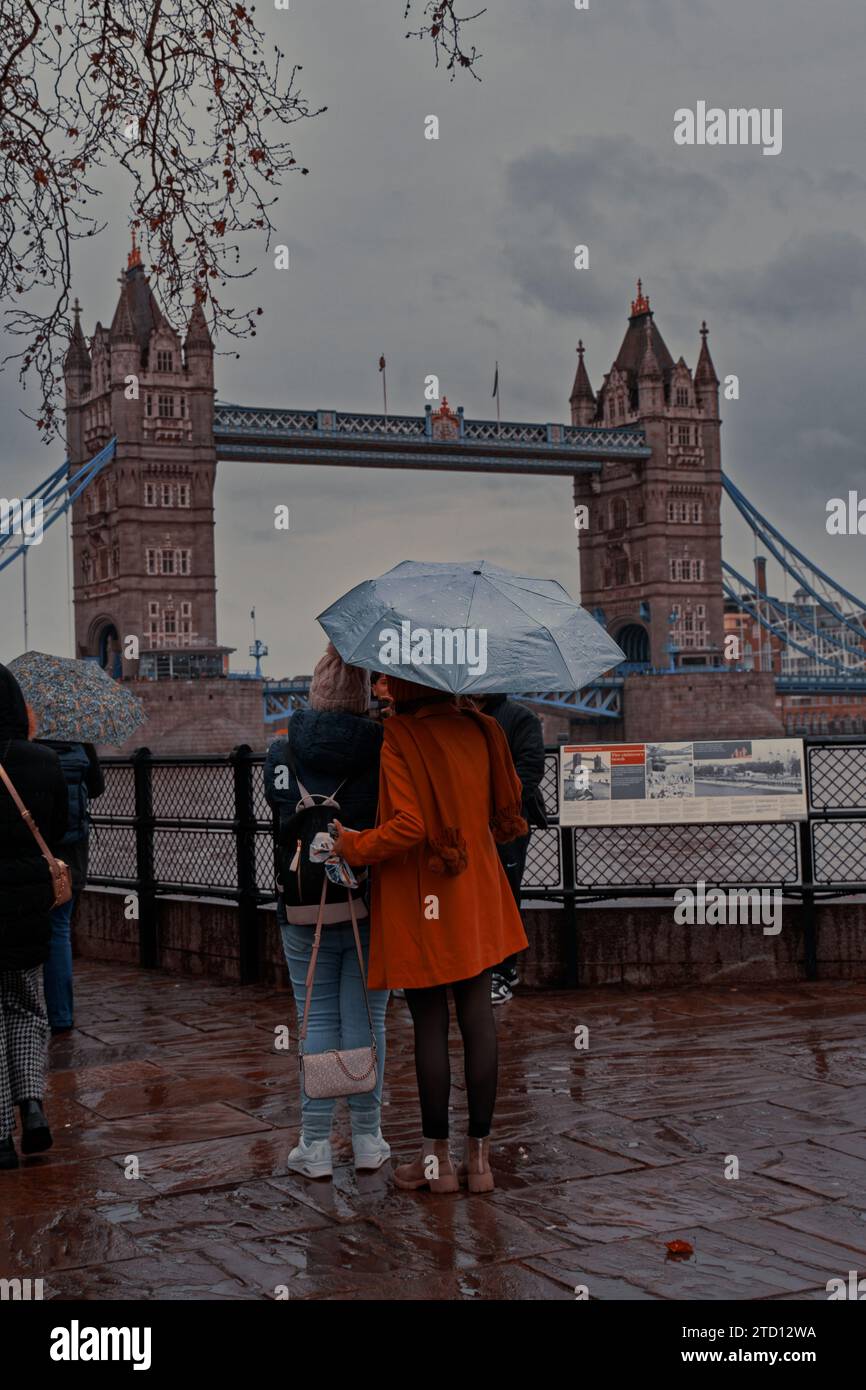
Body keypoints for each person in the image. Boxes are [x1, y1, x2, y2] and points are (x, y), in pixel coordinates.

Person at [332, 675, 528, 1195]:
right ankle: (480, 1163)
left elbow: (408, 828)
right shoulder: (483, 729)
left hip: (427, 896)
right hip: (478, 887)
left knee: (429, 1024)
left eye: (388, 680)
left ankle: (436, 1165)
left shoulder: (399, 736)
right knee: (478, 1016)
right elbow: (503, 804)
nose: (381, 687)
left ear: (408, 683)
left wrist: (352, 845)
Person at [265, 643, 387, 1179]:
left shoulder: (281, 753)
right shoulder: (385, 749)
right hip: (366, 905)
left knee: (313, 1017)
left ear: (314, 691)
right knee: (368, 1017)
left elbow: (277, 816)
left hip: (301, 906)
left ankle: (313, 1146)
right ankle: (367, 1140)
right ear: (364, 694)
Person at [0, 664, 68, 1170]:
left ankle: (1, 1136)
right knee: (26, 1007)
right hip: (27, 905)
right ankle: (33, 1107)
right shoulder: (45, 762)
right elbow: (59, 830)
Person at [479, 695, 547, 1005]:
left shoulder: (521, 718)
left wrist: (502, 807)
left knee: (505, 894)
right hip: (468, 823)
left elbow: (531, 769)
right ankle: (480, 967)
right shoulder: (458, 717)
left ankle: (503, 971)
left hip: (510, 824)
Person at [35, 739, 104, 1033]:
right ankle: (61, 1015)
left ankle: (23, 1011)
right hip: (72, 851)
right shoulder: (81, 744)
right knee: (59, 929)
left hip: (34, 851)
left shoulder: (24, 747)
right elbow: (98, 788)